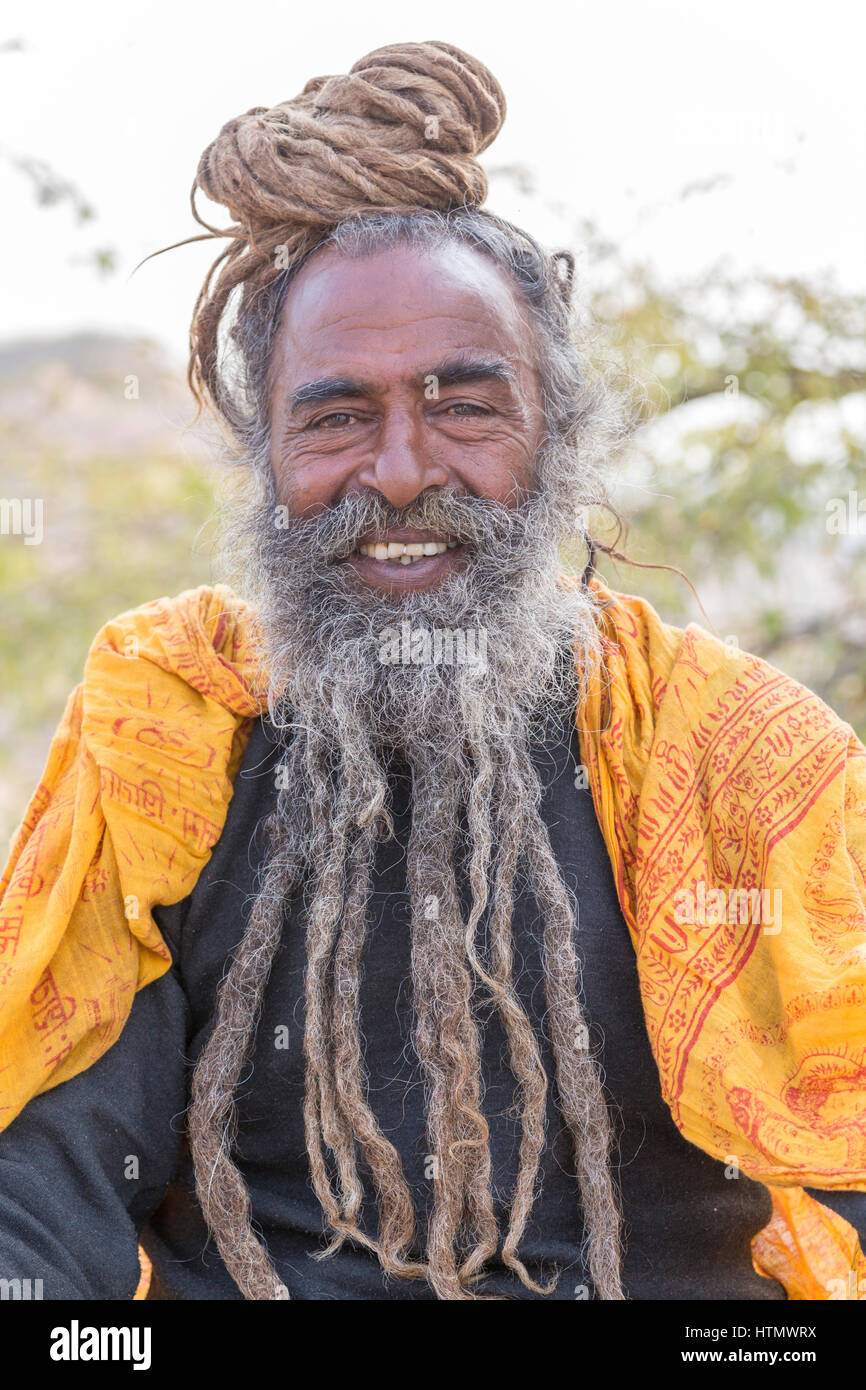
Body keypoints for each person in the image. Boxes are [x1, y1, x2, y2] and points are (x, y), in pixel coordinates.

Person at [0, 40, 864, 1302]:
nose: (400, 470)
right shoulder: (168, 731)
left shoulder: (733, 756)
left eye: (464, 405)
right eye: (338, 415)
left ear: (556, 433)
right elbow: (42, 1196)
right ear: (264, 458)